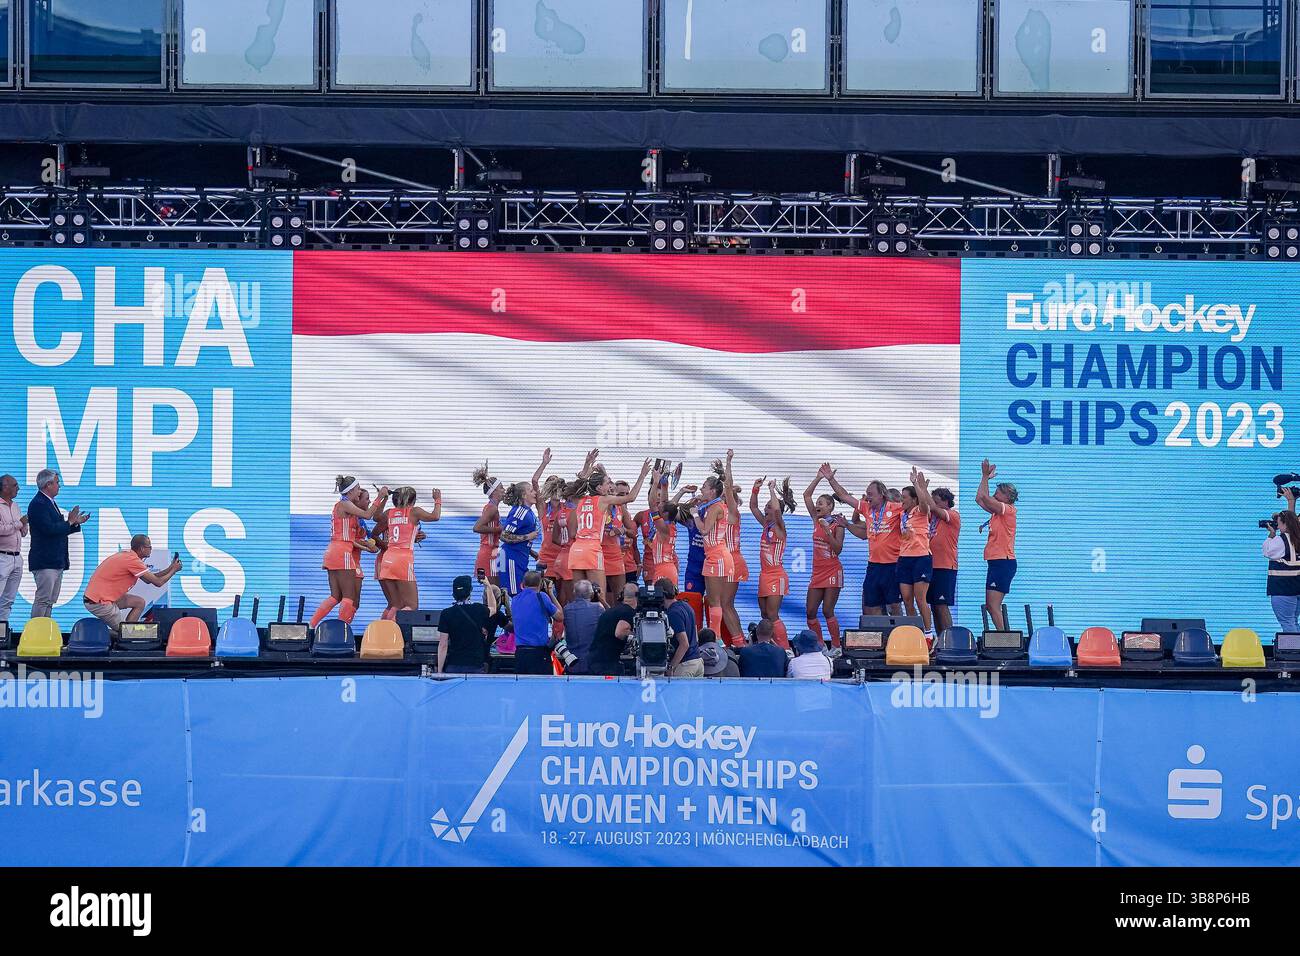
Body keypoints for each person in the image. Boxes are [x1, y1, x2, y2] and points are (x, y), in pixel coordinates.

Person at [564, 451, 651, 603]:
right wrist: (643, 475)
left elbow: (576, 486)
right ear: (599, 488)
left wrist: (587, 465)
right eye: (607, 483)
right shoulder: (603, 500)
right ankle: (605, 623)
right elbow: (631, 497)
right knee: (599, 598)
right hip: (592, 548)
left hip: (576, 549)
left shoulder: (580, 499)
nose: (609, 485)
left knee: (579, 597)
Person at [311, 476, 388, 629]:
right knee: (349, 597)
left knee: (336, 596)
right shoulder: (344, 504)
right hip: (342, 551)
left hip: (335, 550)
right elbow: (368, 515)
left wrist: (366, 547)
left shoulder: (342, 506)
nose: (359, 492)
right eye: (358, 489)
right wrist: (380, 497)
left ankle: (311, 626)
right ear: (351, 490)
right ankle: (342, 630)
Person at [825, 467, 902, 618]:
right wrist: (831, 479)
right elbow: (844, 496)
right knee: (870, 605)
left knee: (894, 605)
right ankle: (879, 638)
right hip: (874, 565)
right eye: (867, 494)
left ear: (882, 495)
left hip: (893, 565)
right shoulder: (867, 509)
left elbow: (918, 509)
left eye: (871, 494)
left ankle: (899, 636)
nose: (868, 497)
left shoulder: (896, 508)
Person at [82, 535, 182, 631]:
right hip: (98, 602)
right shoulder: (133, 561)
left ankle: (129, 636)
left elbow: (149, 579)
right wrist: (173, 571)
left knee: (139, 602)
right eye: (149, 547)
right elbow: (158, 582)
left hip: (102, 597)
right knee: (124, 631)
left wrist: (170, 568)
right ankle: (119, 635)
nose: (151, 549)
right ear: (142, 548)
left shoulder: (129, 556)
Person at [27, 469, 91, 619]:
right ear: (48, 484)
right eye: (57, 482)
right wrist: (69, 522)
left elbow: (57, 530)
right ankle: (36, 633)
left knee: (49, 601)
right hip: (45, 561)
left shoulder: (49, 503)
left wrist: (74, 523)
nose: (59, 486)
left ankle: (44, 633)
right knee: (43, 600)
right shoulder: (38, 504)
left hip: (55, 560)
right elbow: (49, 529)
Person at [694, 450, 739, 646]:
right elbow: (729, 486)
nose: (701, 490)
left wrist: (695, 514)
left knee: (715, 601)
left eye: (704, 487)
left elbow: (704, 531)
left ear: (712, 491)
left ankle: (717, 639)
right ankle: (720, 638)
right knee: (716, 601)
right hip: (719, 555)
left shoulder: (715, 507)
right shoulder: (719, 505)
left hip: (717, 557)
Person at [376, 486, 442, 620]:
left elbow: (376, 517)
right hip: (403, 559)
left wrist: (383, 499)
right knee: (412, 606)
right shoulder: (414, 512)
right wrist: (437, 500)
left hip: (388, 558)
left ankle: (384, 633)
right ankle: (392, 631)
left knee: (395, 604)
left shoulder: (390, 512)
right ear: (412, 501)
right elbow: (435, 516)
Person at [802, 466, 845, 649]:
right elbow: (806, 496)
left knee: (828, 610)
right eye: (818, 503)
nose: (818, 506)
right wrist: (818, 477)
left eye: (822, 503)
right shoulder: (815, 519)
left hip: (833, 570)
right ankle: (820, 645)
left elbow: (838, 549)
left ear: (830, 507)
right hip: (817, 572)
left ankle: (836, 646)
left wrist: (828, 532)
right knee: (810, 611)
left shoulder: (838, 524)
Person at [751, 476, 795, 649]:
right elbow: (753, 507)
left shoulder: (779, 528)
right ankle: (771, 646)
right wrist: (756, 489)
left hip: (777, 575)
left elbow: (776, 510)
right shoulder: (765, 526)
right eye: (766, 506)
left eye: (768, 506)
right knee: (764, 615)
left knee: (772, 614)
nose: (766, 509)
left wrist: (771, 490)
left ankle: (785, 649)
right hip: (765, 575)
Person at [976, 458, 1018, 631]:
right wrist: (984, 478)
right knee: (991, 606)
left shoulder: (1007, 510)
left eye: (998, 492)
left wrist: (985, 476)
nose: (995, 493)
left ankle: (1005, 641)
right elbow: (979, 499)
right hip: (996, 562)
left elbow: (985, 497)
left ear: (1007, 497)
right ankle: (1004, 639)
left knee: (993, 607)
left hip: (1003, 562)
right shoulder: (996, 513)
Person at [915, 478, 960, 636]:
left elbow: (932, 507)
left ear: (946, 502)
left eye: (936, 500)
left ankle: (950, 641)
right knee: (933, 605)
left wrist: (922, 489)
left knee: (942, 605)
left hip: (945, 566)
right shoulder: (931, 518)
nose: (931, 503)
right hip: (929, 566)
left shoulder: (953, 515)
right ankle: (941, 640)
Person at [436, 574, 507, 674]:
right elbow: (493, 608)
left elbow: (443, 645)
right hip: (475, 665)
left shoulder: (446, 613)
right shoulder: (478, 609)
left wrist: (439, 671)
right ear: (470, 591)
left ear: (453, 594)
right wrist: (487, 586)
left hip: (454, 665)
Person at [897, 470, 934, 639]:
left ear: (913, 499)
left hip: (921, 558)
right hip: (904, 559)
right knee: (906, 598)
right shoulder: (901, 514)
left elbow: (925, 505)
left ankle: (928, 635)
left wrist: (916, 485)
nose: (901, 500)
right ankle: (914, 632)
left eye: (904, 497)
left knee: (920, 599)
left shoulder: (920, 511)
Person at [509, 570, 563, 675]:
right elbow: (560, 616)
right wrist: (551, 594)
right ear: (541, 583)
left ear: (523, 584)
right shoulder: (542, 597)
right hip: (538, 653)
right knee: (541, 688)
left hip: (520, 653)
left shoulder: (515, 600)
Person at [1263, 488, 1300, 632]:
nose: (1277, 526)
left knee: (1287, 623)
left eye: (1278, 523)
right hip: (1296, 588)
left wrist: (1271, 535)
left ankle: (1294, 653)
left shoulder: (1281, 539)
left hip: (1283, 589)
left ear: (1285, 524)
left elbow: (1267, 551)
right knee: (1293, 622)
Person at [585, 582, 640, 676]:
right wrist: (638, 637)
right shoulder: (629, 613)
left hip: (594, 659)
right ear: (638, 596)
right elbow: (620, 632)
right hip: (607, 664)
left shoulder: (612, 611)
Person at [498, 478, 541, 597]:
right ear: (524, 495)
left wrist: (530, 551)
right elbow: (504, 535)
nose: (535, 493)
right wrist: (528, 536)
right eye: (531, 491)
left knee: (522, 591)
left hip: (520, 557)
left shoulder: (528, 512)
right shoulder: (520, 512)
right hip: (511, 558)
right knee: (515, 593)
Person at [660, 577, 703, 677]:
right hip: (697, 661)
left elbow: (684, 644)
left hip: (685, 665)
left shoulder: (673, 613)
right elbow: (695, 636)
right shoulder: (687, 606)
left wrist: (671, 667)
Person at [0, 475, 28, 624]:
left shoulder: (16, 506)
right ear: (5, 487)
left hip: (17, 557)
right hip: (2, 557)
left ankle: (1, 631)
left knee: (8, 598)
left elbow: (22, 532)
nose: (18, 488)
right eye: (15, 485)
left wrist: (24, 526)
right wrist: (18, 524)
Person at [561, 578, 603, 673]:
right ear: (592, 593)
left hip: (572, 662)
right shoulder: (598, 608)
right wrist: (601, 598)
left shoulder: (567, 609)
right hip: (592, 663)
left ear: (574, 593)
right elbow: (610, 617)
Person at [471, 462, 504, 580]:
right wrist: (498, 529)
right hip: (489, 552)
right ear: (494, 491)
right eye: (501, 488)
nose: (504, 490)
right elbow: (477, 527)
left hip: (496, 551)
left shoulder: (492, 507)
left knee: (498, 591)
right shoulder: (492, 508)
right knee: (493, 590)